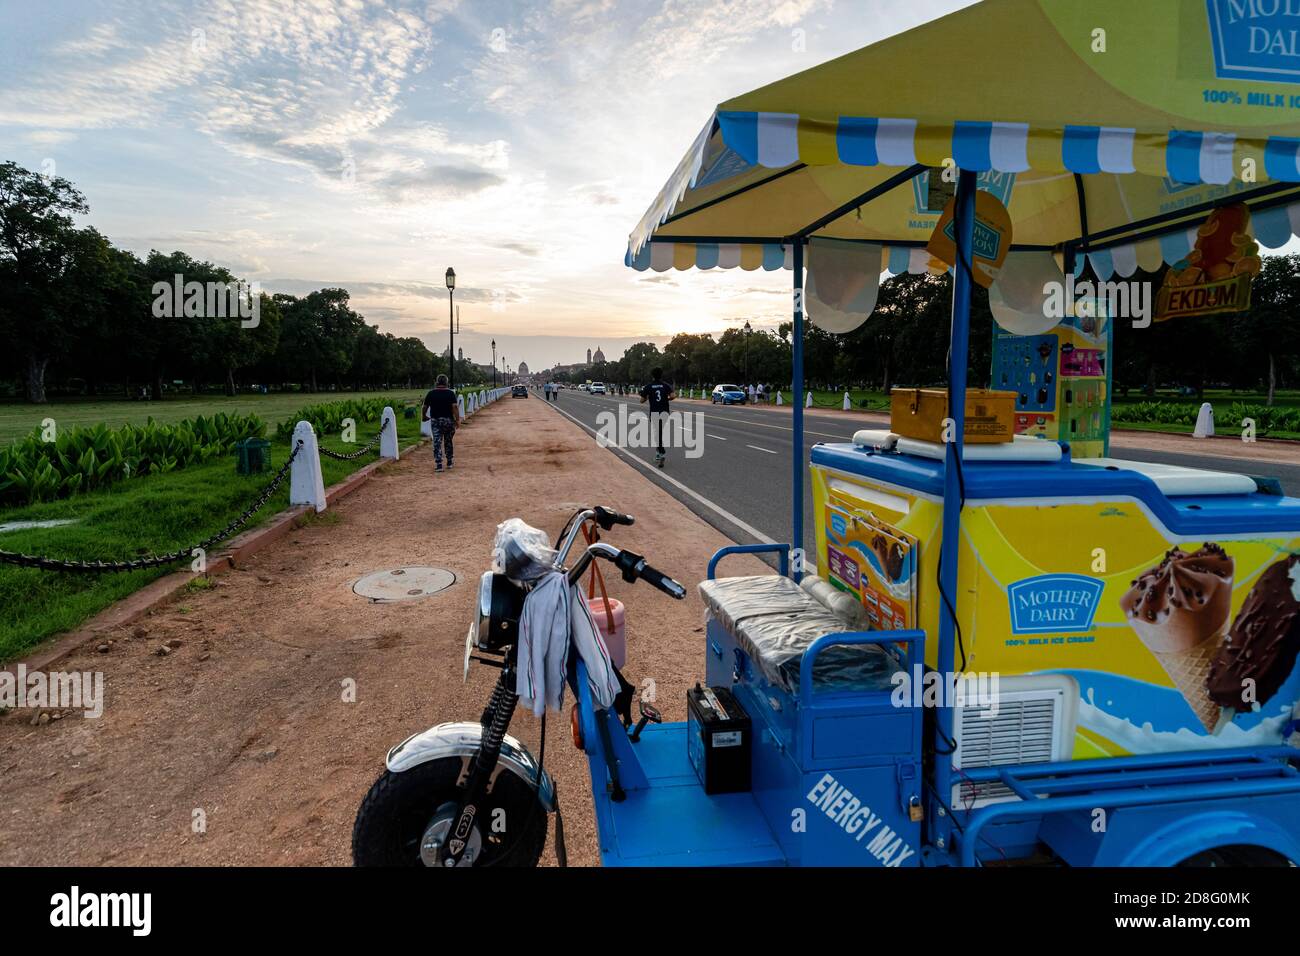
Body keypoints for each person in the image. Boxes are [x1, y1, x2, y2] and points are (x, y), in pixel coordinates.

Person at [639, 367, 675, 468]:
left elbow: (641, 400)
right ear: (661, 375)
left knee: (656, 434)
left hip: (654, 412)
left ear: (652, 375)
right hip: (664, 412)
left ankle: (662, 453)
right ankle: (658, 454)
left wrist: (647, 397)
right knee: (659, 433)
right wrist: (666, 399)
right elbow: (673, 396)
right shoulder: (665, 385)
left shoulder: (649, 386)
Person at [422, 374, 458, 471]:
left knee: (437, 442)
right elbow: (454, 407)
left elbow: (424, 407)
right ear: (446, 382)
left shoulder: (431, 393)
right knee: (448, 441)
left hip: (436, 421)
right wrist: (457, 420)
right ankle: (449, 461)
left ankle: (439, 464)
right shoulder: (450, 393)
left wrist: (424, 416)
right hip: (448, 421)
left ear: (437, 382)